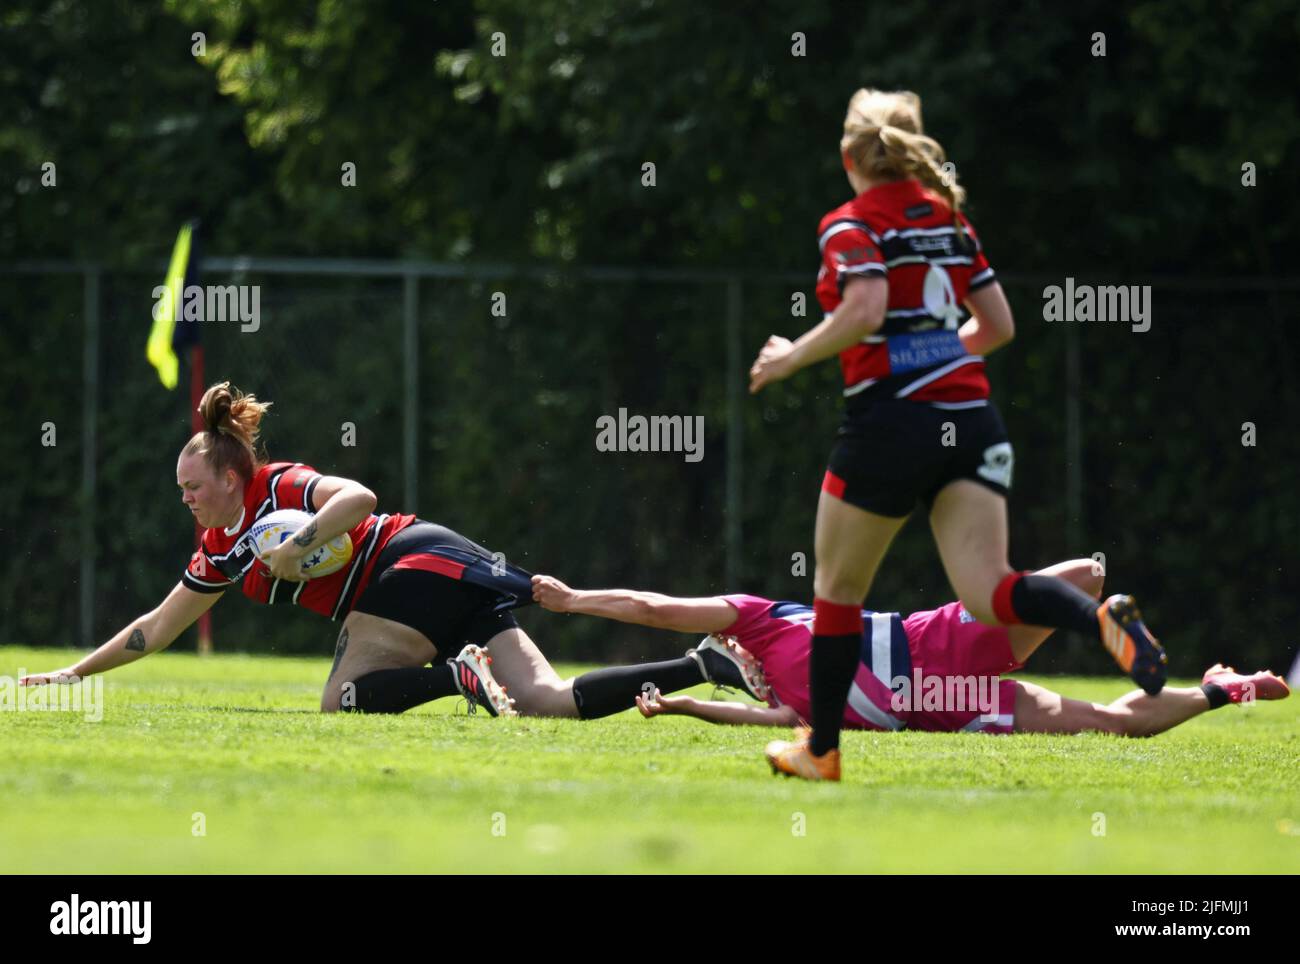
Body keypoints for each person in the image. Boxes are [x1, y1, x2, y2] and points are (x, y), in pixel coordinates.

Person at [746, 88, 1167, 780]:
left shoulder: (848, 225)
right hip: (971, 422)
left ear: (850, 157)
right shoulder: (949, 223)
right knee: (990, 590)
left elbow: (866, 305)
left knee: (836, 591)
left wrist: (791, 355)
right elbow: (998, 326)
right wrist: (938, 360)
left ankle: (820, 750)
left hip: (887, 424)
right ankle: (1098, 621)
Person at [18, 381, 574, 719]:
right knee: (548, 702)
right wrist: (76, 673)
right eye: (181, 490)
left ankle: (457, 676)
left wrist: (296, 545)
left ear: (232, 480)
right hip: (396, 589)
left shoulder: (281, 487)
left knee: (341, 702)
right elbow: (157, 628)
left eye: (194, 487)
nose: (185, 499)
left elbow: (360, 497)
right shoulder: (219, 549)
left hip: (405, 561)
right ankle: (656, 684)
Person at [528, 564, 1288, 743]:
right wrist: (686, 704)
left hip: (938, 658)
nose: (735, 656)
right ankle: (1227, 690)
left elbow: (654, 608)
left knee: (1084, 572)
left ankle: (1101, 617)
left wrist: (574, 601)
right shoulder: (791, 704)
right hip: (953, 696)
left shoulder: (760, 621)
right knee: (1116, 724)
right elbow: (751, 721)